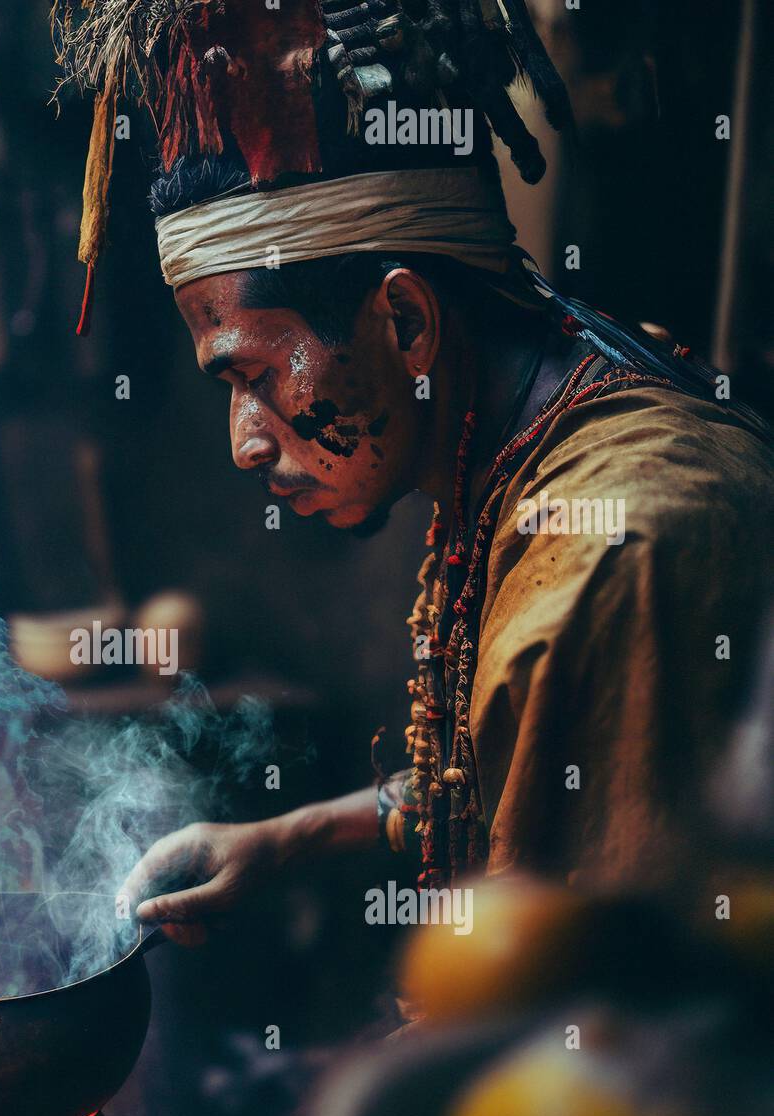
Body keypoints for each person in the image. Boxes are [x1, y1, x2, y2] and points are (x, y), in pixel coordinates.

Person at [53, 0, 773, 944]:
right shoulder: (529, 427)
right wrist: (283, 839)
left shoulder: (611, 559)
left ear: (405, 324)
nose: (245, 443)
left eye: (257, 377)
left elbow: (604, 1027)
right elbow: (512, 763)